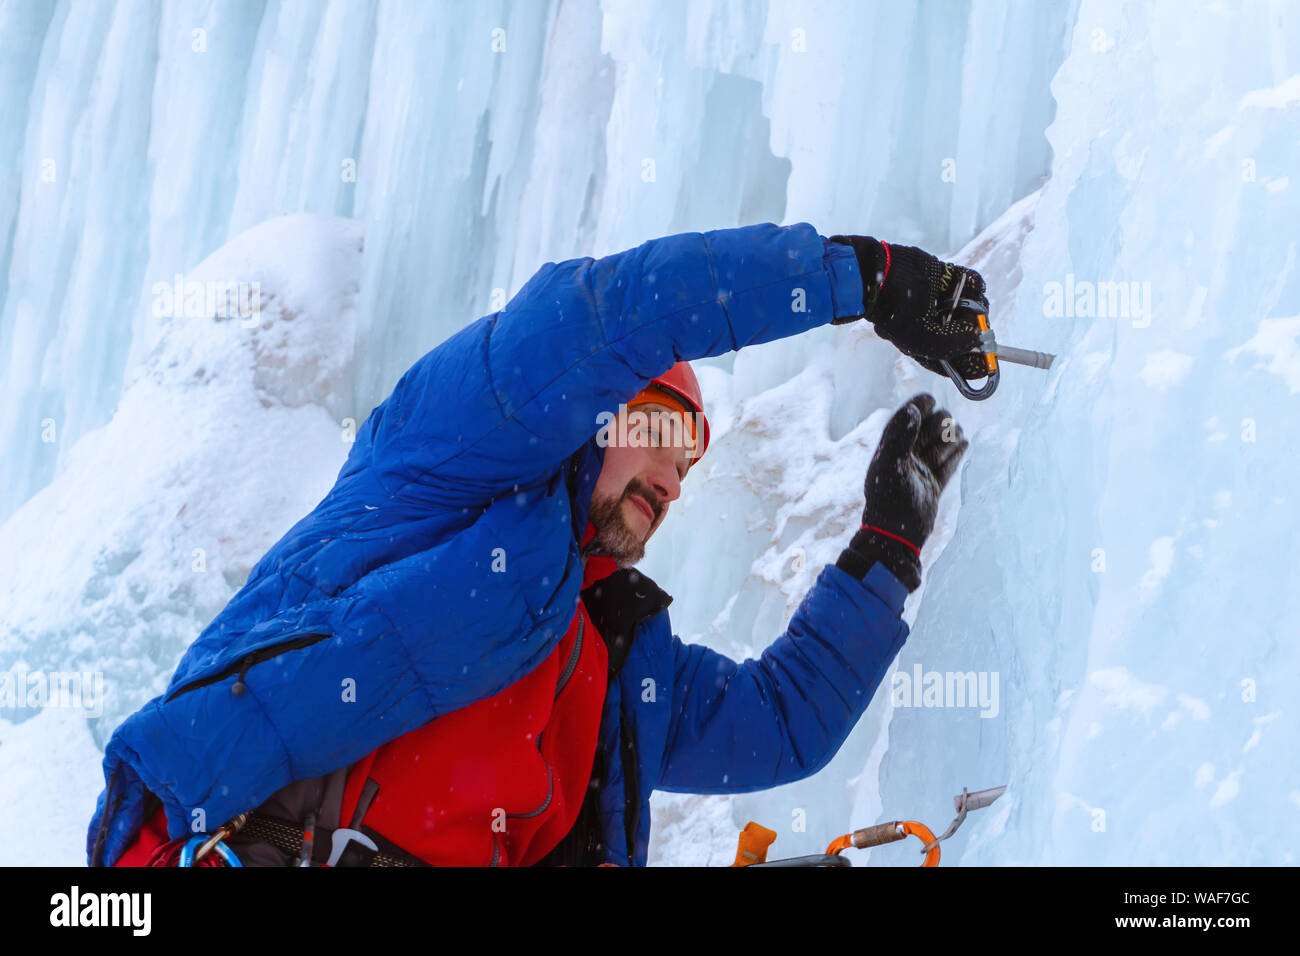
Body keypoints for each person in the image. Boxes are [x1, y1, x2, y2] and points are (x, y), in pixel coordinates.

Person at [89, 223, 987, 867]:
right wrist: (868, 279)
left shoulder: (619, 656)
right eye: (662, 435)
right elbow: (613, 314)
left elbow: (779, 726)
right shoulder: (443, 460)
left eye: (691, 468)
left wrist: (888, 541)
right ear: (590, 414)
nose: (675, 481)